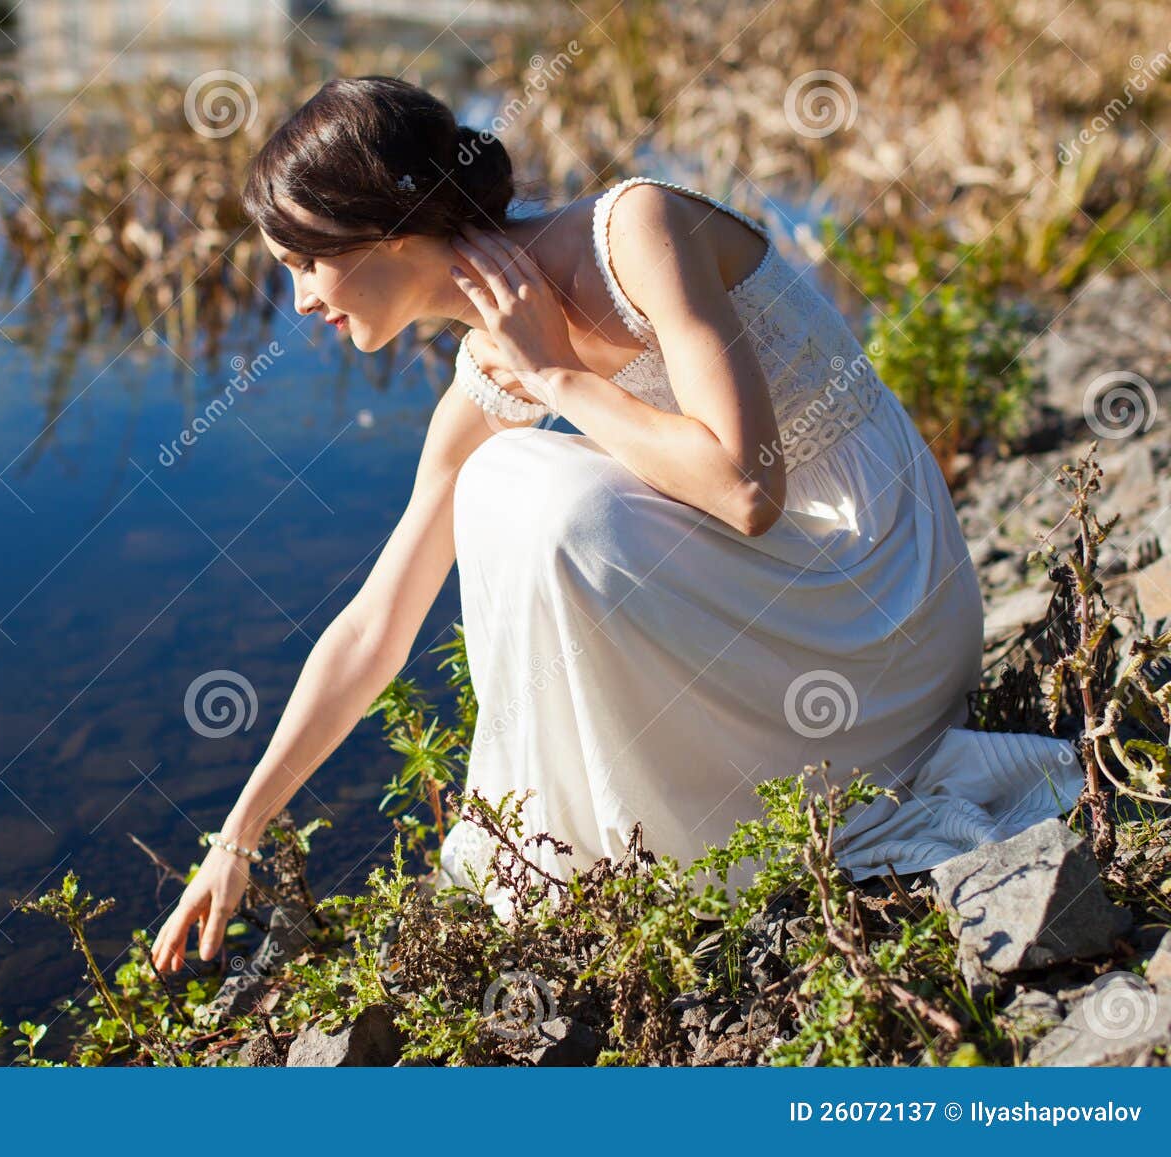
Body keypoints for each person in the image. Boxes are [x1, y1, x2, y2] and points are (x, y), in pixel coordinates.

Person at [149, 76, 1083, 970]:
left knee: (529, 486)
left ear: (387, 227)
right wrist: (239, 834)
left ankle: (671, 844)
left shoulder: (637, 230)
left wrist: (559, 376)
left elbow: (747, 491)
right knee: (498, 489)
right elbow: (374, 627)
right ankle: (644, 842)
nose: (302, 300)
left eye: (307, 262)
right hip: (788, 627)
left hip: (883, 602)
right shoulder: (484, 380)